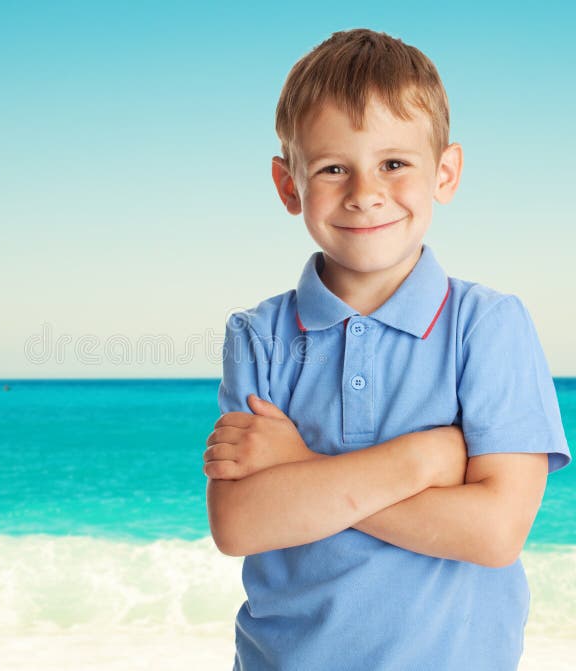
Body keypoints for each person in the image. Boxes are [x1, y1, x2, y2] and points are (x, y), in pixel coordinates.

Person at [203, 28, 571, 671]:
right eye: (332, 168)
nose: (364, 192)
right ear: (289, 185)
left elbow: (493, 532)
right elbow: (240, 524)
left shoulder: (488, 325)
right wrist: (421, 459)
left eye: (394, 163)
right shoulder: (257, 334)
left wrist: (305, 469)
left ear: (445, 173)